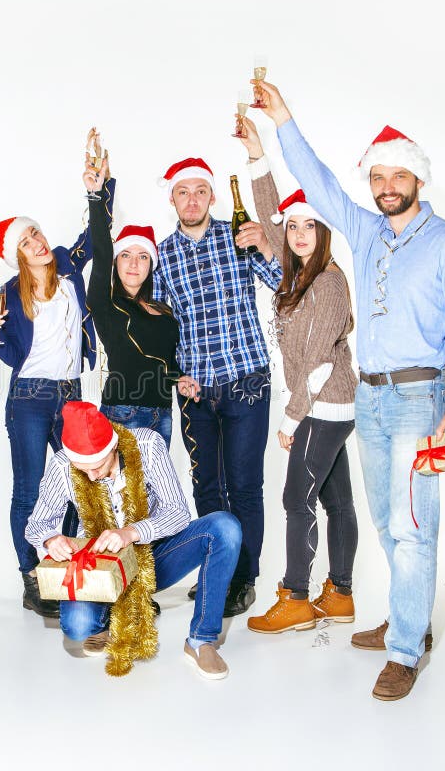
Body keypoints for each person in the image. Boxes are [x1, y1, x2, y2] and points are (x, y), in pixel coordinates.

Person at [256, 80, 445, 700]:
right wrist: (284, 121)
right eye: (378, 176)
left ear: (417, 179)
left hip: (419, 398)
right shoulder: (365, 234)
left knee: (413, 526)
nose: (386, 186)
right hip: (369, 398)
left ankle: (406, 649)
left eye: (397, 176)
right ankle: (408, 616)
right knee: (389, 522)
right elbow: (322, 185)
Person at [232, 118, 358, 635]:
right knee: (335, 499)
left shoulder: (327, 283)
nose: (300, 234)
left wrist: (290, 419)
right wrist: (257, 153)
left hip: (323, 405)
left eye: (310, 226)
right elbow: (268, 211)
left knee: (294, 500)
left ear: (324, 232)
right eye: (295, 227)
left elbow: (320, 361)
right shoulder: (296, 270)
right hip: (333, 406)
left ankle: (297, 596)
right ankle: (342, 595)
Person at [0, 155, 116, 619]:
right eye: (25, 240)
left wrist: (100, 189)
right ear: (15, 253)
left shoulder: (66, 266)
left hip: (72, 394)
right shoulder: (6, 291)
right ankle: (32, 576)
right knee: (30, 489)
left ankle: (70, 566)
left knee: (80, 485)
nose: (36, 242)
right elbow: (3, 349)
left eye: (36, 233)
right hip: (29, 398)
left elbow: (97, 237)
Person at [26, 401, 241, 679]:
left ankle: (201, 640)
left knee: (225, 527)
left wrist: (130, 532)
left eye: (98, 466)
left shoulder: (148, 445)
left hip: (151, 560)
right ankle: (107, 619)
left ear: (113, 447)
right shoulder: (61, 465)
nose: (92, 475)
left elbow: (177, 512)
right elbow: (36, 524)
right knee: (78, 626)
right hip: (97, 569)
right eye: (83, 469)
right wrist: (50, 539)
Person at [153, 157, 282, 616]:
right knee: (207, 484)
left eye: (200, 191)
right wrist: (172, 374)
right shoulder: (161, 255)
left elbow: (283, 285)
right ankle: (218, 572)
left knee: (245, 485)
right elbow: (158, 329)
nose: (192, 199)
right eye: (183, 191)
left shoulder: (239, 235)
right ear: (172, 198)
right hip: (196, 393)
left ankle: (243, 578)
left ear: (212, 196)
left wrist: (266, 245)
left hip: (247, 380)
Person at [84, 130, 198, 447]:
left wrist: (181, 379)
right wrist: (97, 195)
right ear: (116, 262)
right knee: (127, 497)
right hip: (123, 412)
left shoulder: (162, 310)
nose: (134, 263)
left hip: (162, 413)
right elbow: (101, 248)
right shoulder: (105, 303)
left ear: (151, 266)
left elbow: (165, 361)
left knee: (155, 497)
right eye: (126, 256)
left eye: (143, 256)